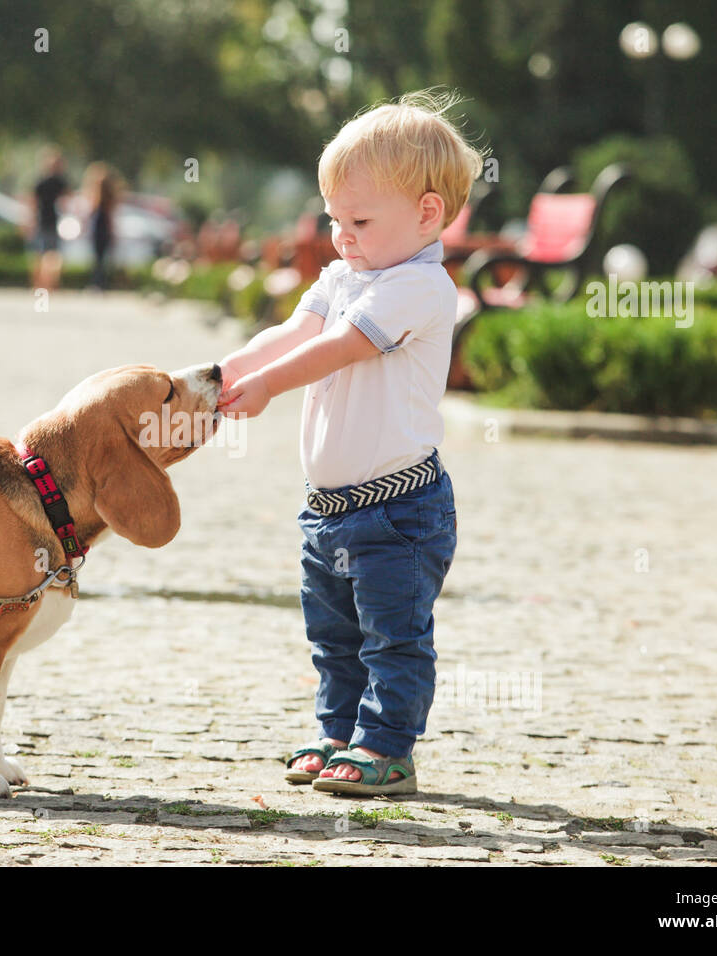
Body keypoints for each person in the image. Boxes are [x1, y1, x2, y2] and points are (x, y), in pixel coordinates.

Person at [217, 91, 483, 796]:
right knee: (334, 638)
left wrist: (269, 388)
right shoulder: (345, 274)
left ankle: (387, 746)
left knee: (393, 638)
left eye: (359, 220)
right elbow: (298, 333)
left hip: (398, 511)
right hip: (329, 509)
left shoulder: (420, 287)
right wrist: (229, 369)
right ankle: (340, 731)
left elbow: (341, 347)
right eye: (336, 219)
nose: (343, 236)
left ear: (427, 213)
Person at [28, 147, 69, 291]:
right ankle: (44, 284)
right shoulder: (51, 182)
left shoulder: (49, 182)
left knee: (45, 255)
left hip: (51, 222)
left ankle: (44, 284)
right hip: (47, 221)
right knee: (47, 255)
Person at [83, 161, 120, 290]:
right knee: (102, 259)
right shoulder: (107, 197)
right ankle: (101, 283)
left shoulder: (97, 196)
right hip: (102, 228)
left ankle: (98, 283)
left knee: (98, 259)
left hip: (98, 229)